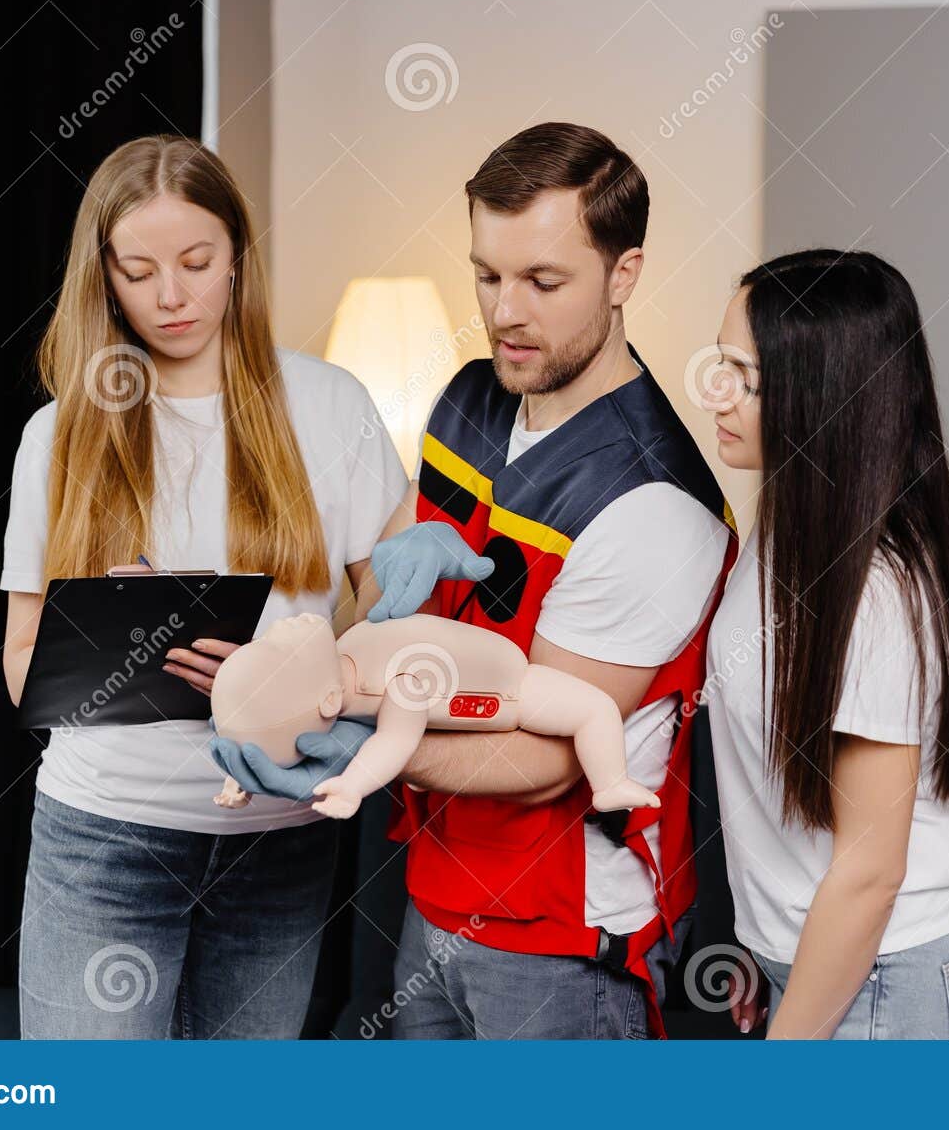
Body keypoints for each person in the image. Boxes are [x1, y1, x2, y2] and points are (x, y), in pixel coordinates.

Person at [213, 122, 735, 1039]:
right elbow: (388, 619)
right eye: (488, 275)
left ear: (624, 274)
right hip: (438, 895)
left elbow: (545, 761)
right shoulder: (466, 398)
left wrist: (368, 754)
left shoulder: (652, 499)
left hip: (565, 941)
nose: (505, 312)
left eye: (543, 281)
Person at [0, 135, 406, 1038]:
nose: (171, 296)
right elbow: (23, 670)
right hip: (103, 837)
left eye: (196, 263)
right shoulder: (58, 434)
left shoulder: (329, 404)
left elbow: (401, 610)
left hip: (281, 836)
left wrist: (304, 675)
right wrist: (113, 644)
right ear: (103, 275)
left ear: (238, 262)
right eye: (140, 271)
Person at [704, 249, 949, 1039]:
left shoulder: (873, 590)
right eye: (720, 362)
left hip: (892, 975)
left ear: (821, 395)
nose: (718, 393)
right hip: (833, 959)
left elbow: (871, 871)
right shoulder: (790, 526)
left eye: (747, 375)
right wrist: (769, 947)